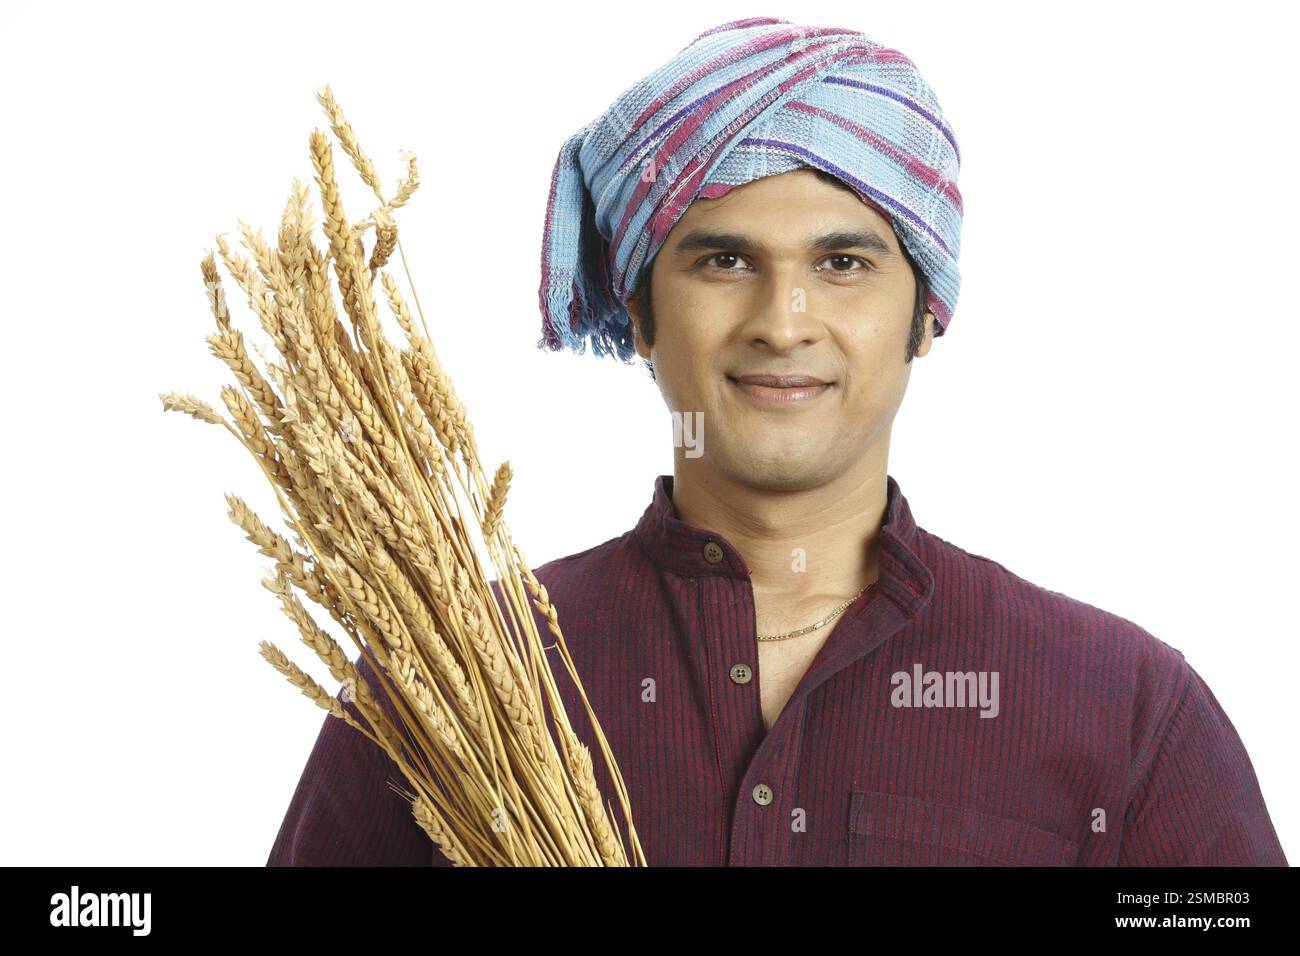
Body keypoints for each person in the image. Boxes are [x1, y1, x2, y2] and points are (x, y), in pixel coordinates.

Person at [268, 17, 1287, 866]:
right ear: (638, 313)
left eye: (843, 261)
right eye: (723, 260)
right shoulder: (456, 678)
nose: (783, 318)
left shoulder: (1121, 707)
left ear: (926, 313)